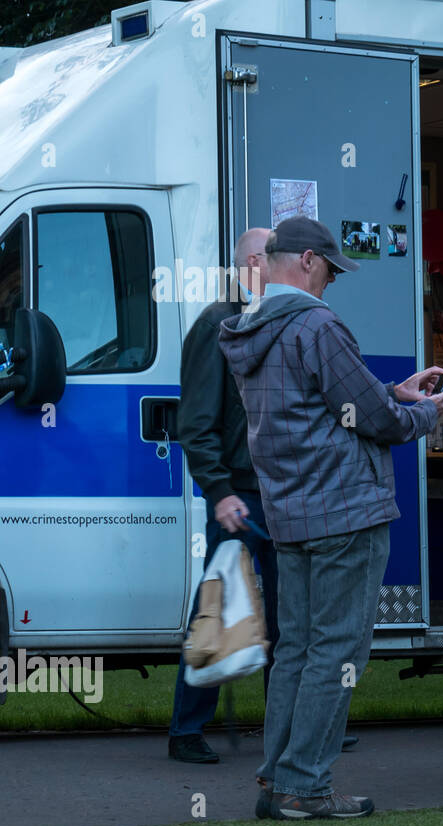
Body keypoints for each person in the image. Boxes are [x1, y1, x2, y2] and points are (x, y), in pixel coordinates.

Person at [218, 215, 443, 819]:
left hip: (292, 512)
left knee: (295, 650)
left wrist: (394, 389)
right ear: (310, 263)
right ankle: (306, 787)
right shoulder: (316, 324)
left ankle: (278, 781)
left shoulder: (253, 327)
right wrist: (426, 412)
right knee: (337, 655)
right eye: (332, 272)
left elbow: (325, 404)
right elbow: (375, 421)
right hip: (346, 511)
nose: (332, 285)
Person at [169, 227, 275, 764]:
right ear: (256, 261)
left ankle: (291, 728)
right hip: (239, 495)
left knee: (285, 616)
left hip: (279, 494)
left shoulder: (273, 319)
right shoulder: (217, 323)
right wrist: (219, 491)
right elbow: (196, 423)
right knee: (215, 605)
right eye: (275, 258)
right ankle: (186, 729)